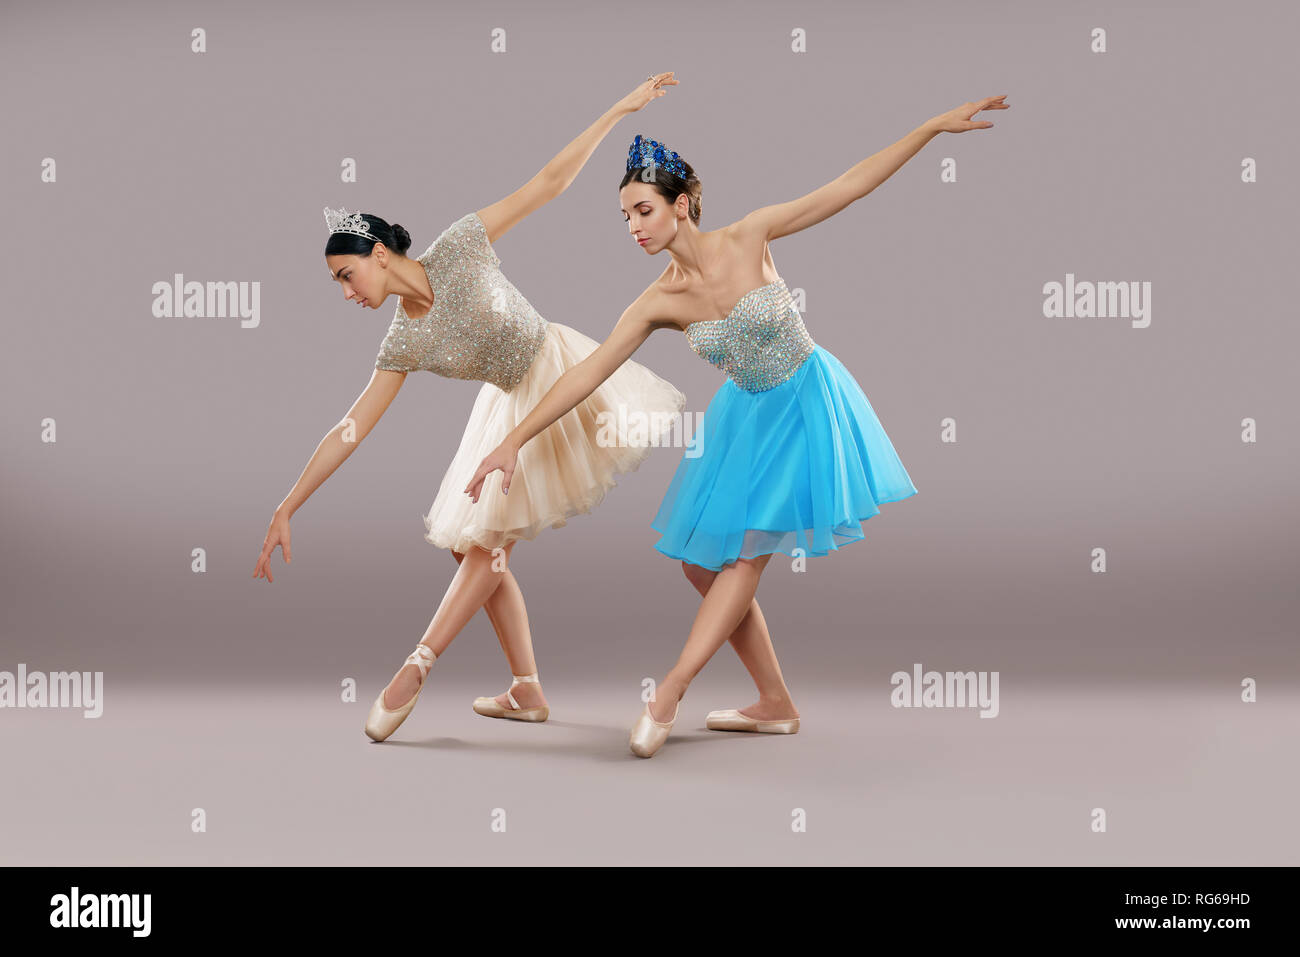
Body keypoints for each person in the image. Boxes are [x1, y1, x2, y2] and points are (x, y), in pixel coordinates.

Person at [464, 96, 1009, 757]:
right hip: (745, 416)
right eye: (625, 216)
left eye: (644, 210)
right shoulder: (657, 301)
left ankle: (668, 691)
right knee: (702, 565)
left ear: (681, 205)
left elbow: (849, 185)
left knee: (747, 552)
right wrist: (512, 440)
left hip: (805, 398)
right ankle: (775, 702)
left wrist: (927, 128)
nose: (633, 226)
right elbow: (588, 374)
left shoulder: (750, 235)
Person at [253, 73, 687, 743]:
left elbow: (546, 183)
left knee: (485, 543)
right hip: (508, 403)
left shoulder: (458, 244)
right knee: (473, 548)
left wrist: (617, 110)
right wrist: (288, 504)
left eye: (346, 276)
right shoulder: (401, 336)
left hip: (556, 373)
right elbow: (352, 427)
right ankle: (526, 688)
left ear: (377, 253)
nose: (346, 293)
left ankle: (417, 664)